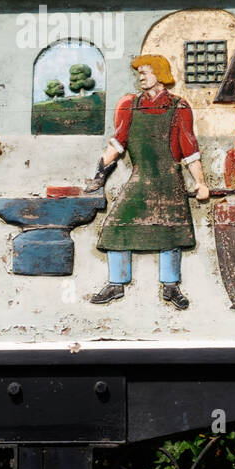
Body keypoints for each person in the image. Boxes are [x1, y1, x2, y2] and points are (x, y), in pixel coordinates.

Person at [86, 54, 208, 309]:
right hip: (140, 177)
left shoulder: (179, 107)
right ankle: (116, 284)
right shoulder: (130, 105)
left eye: (146, 71)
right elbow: (117, 145)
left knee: (171, 233)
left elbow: (190, 149)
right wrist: (99, 175)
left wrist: (201, 182)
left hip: (169, 180)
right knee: (116, 227)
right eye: (139, 72)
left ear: (160, 74)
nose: (141, 76)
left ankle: (171, 286)